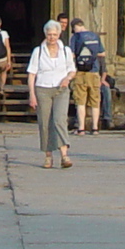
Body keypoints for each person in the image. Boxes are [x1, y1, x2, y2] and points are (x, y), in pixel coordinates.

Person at [26, 20, 76, 169]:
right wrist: (32, 94)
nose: (52, 37)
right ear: (45, 35)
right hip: (43, 88)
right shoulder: (38, 51)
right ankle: (48, 156)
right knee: (45, 122)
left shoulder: (65, 50)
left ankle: (64, 155)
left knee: (59, 120)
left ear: (59, 34)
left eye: (55, 34)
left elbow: (72, 70)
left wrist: (68, 78)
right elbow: (32, 74)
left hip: (61, 89)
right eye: (49, 35)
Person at [68, 19, 105, 135]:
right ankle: (95, 128)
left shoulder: (76, 37)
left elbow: (72, 54)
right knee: (95, 101)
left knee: (81, 101)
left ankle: (81, 128)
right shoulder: (95, 36)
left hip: (80, 72)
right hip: (94, 72)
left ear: (74, 27)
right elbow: (102, 54)